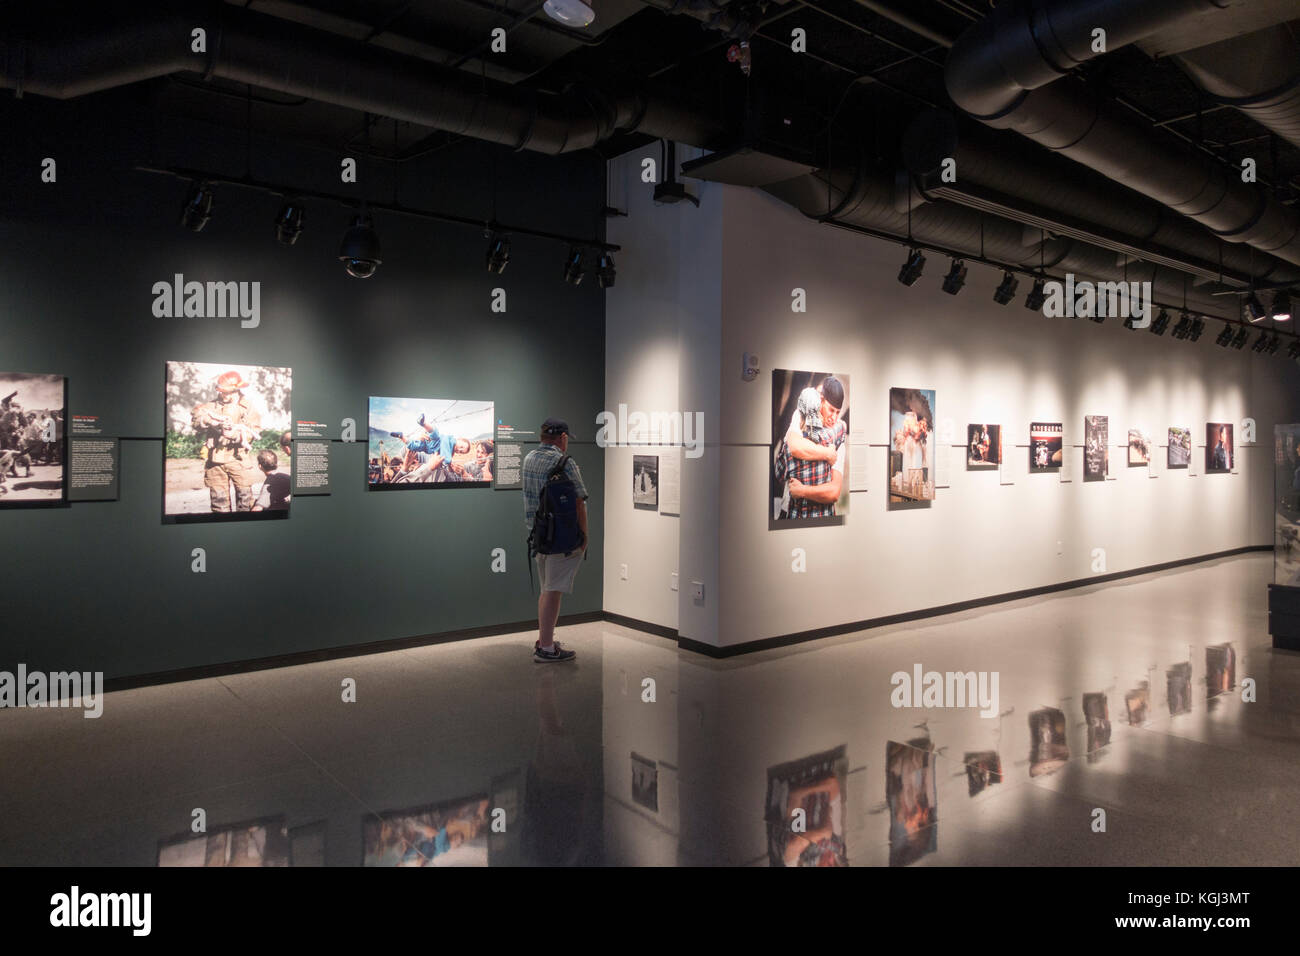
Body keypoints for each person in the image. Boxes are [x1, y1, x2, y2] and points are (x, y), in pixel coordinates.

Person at [522, 418, 588, 662]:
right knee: (553, 591)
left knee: (547, 589)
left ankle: (545, 639)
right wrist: (584, 537)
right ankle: (547, 648)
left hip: (538, 536)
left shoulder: (529, 459)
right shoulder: (565, 462)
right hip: (562, 538)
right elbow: (580, 501)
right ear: (562, 438)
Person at [191, 370, 262, 513]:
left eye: (227, 392)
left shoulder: (247, 407)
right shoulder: (211, 406)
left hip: (238, 459)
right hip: (215, 462)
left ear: (236, 390)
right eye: (222, 391)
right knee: (219, 503)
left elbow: (255, 430)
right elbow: (196, 420)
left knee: (245, 501)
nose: (224, 395)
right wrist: (210, 421)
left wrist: (235, 436)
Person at [776, 377, 847, 518]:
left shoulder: (838, 435)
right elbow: (795, 446)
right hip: (789, 511)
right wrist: (827, 453)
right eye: (831, 410)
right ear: (820, 401)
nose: (833, 417)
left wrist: (802, 490)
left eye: (837, 412)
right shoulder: (801, 416)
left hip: (823, 515)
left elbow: (833, 492)